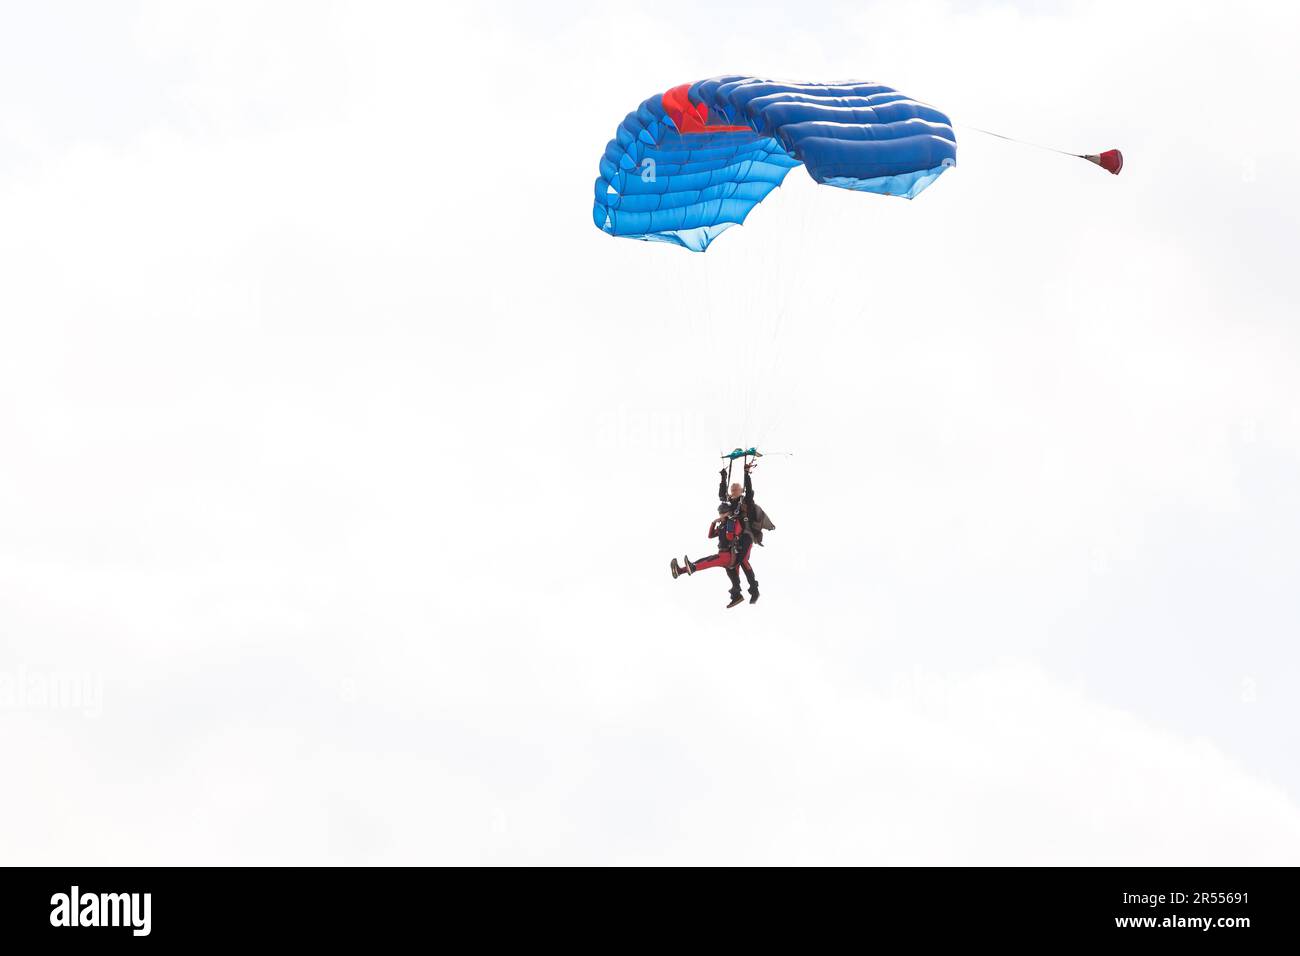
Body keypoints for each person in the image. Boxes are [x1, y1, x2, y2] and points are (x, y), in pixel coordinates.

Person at [670, 503, 750, 608]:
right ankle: (680, 571)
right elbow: (710, 535)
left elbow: (731, 537)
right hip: (722, 553)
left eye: (723, 513)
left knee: (709, 562)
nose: (721, 515)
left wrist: (728, 524)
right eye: (720, 513)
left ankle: (693, 568)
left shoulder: (732, 523)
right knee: (705, 560)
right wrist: (713, 523)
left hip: (728, 555)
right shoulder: (723, 525)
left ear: (728, 512)